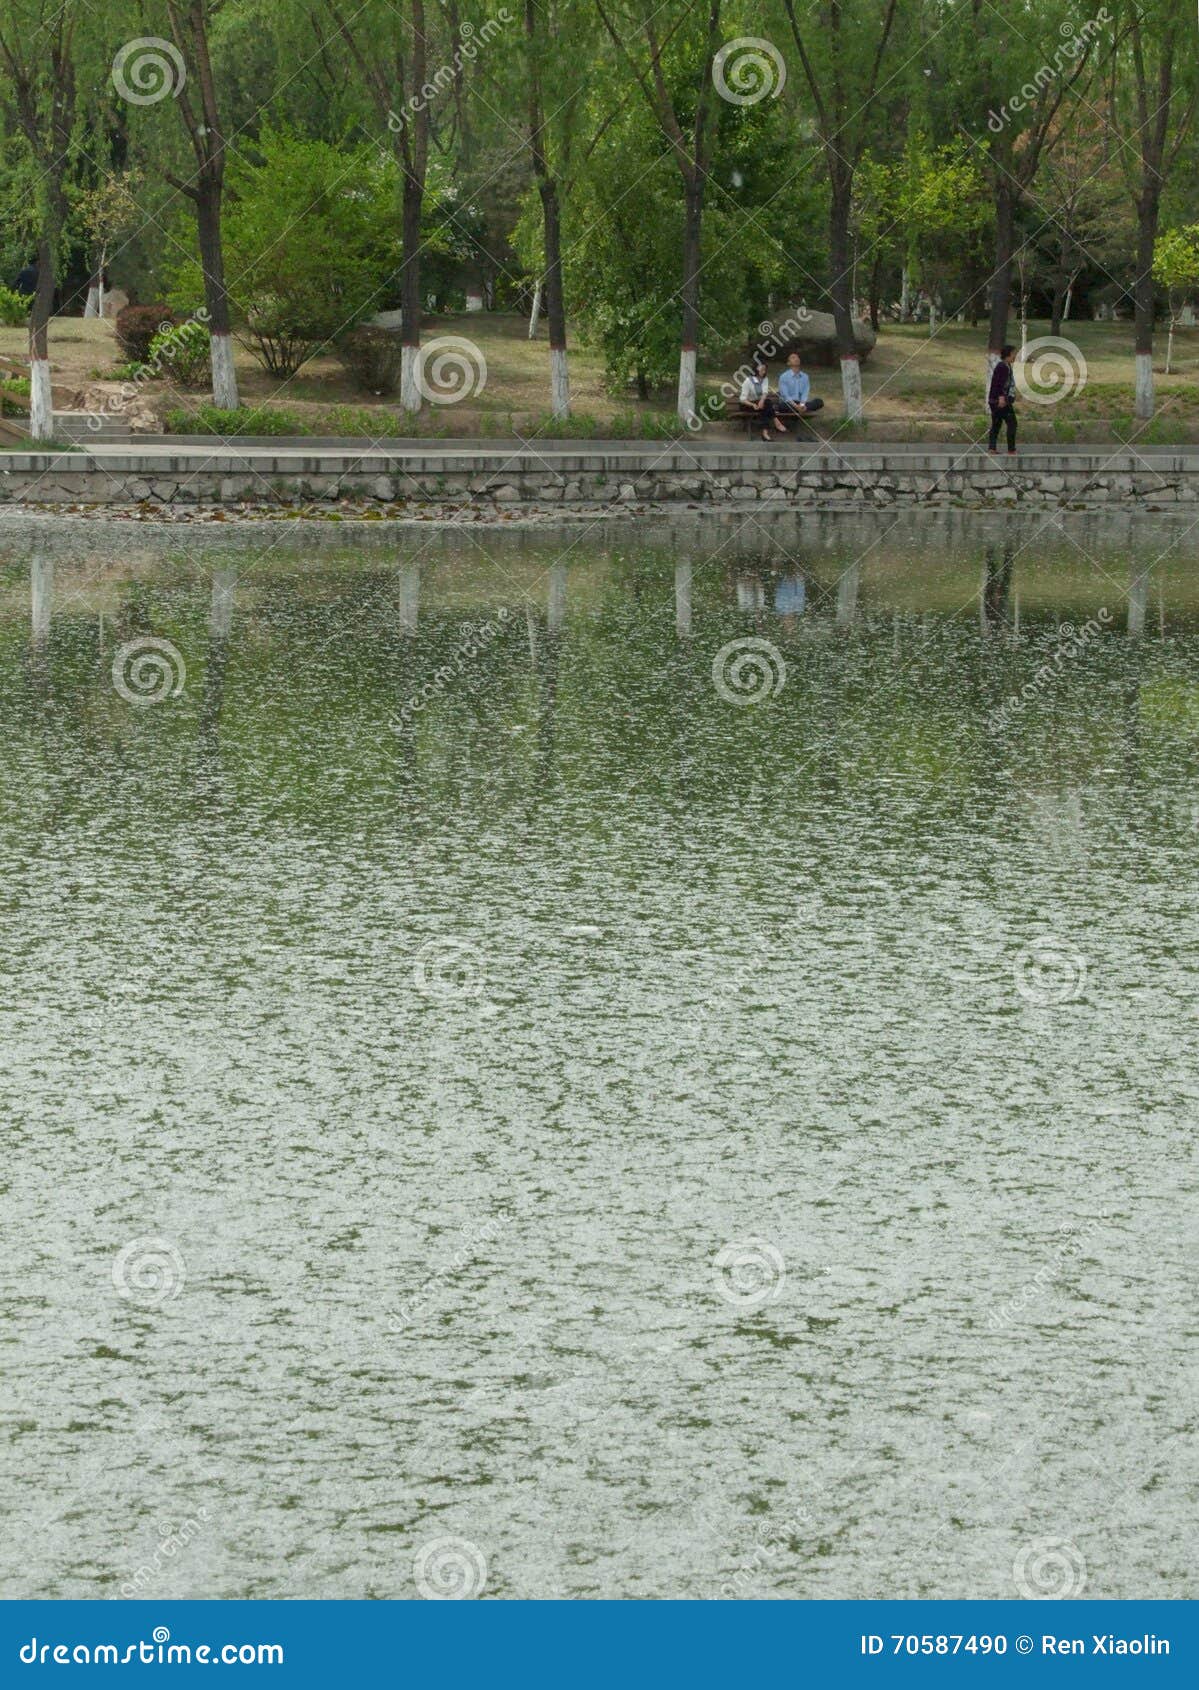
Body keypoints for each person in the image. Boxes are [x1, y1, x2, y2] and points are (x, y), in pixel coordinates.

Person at [740, 357, 787, 442]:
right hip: (747, 404)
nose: (764, 371)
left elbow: (765, 392)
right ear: (756, 369)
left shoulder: (765, 379)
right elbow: (742, 399)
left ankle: (765, 433)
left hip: (760, 404)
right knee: (767, 404)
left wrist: (761, 401)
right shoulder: (748, 381)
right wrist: (753, 405)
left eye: (765, 369)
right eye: (762, 369)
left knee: (766, 404)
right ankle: (776, 422)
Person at [988, 345, 1018, 454]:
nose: (1015, 356)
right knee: (1012, 423)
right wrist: (1001, 398)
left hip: (996, 400)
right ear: (1008, 354)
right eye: (1014, 354)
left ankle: (992, 448)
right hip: (1000, 401)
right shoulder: (1002, 367)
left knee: (996, 424)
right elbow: (998, 383)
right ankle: (1011, 449)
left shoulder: (1007, 365)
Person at [777, 351, 824, 420]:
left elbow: (805, 393)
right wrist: (796, 406)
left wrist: (802, 405)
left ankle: (803, 409)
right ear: (788, 363)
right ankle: (800, 410)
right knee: (782, 406)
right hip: (789, 403)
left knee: (819, 402)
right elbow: (785, 396)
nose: (796, 359)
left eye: (797, 357)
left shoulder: (805, 377)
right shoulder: (784, 377)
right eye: (793, 358)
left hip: (800, 403)